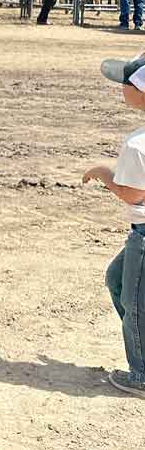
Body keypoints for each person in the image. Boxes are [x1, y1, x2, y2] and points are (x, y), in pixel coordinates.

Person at [84, 55, 145, 397]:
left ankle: (142, 374)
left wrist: (104, 174)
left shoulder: (137, 145)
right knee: (117, 280)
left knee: (135, 302)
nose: (121, 87)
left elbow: (132, 194)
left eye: (126, 83)